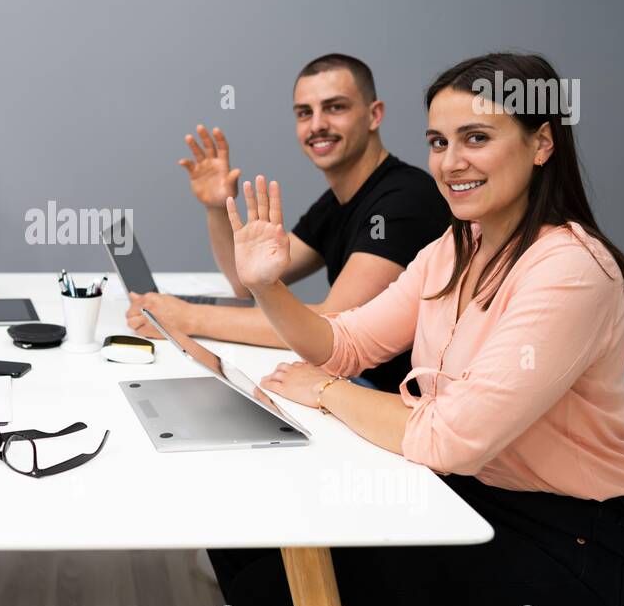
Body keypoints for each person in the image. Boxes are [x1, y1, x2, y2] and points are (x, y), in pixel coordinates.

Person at [188, 52, 624, 606]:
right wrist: (269, 287)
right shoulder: (455, 246)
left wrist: (325, 390)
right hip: (463, 493)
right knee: (250, 539)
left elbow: (451, 437)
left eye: (476, 138)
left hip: (563, 548)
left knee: (269, 601)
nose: (450, 162)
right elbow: (347, 341)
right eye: (438, 141)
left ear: (542, 144)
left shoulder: (570, 269)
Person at [127, 54, 449, 392]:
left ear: (374, 115)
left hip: (388, 400)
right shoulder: (336, 202)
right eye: (304, 113)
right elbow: (248, 281)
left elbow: (331, 325)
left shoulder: (406, 200)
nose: (317, 125)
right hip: (347, 380)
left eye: (335, 107)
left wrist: (189, 317)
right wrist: (216, 208)